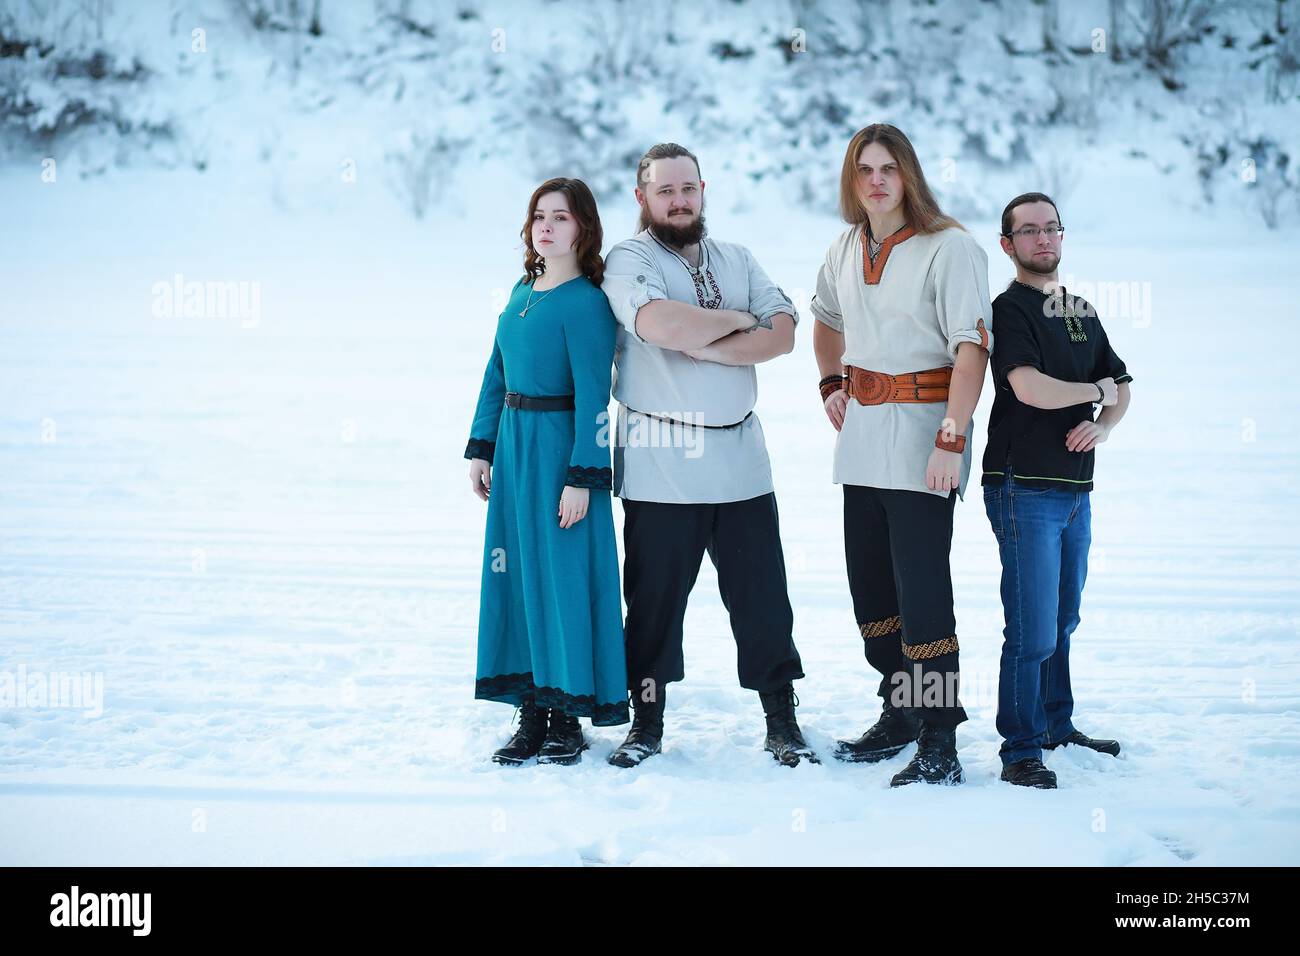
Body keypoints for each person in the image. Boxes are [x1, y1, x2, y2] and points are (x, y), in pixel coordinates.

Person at [599, 142, 816, 768]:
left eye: (687, 188)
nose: (678, 200)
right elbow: (662, 326)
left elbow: (783, 336)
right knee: (654, 606)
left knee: (763, 599)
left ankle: (782, 720)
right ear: (642, 198)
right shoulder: (628, 259)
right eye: (664, 190)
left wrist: (712, 340)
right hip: (661, 458)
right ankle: (646, 723)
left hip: (741, 455)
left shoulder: (737, 257)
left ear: (703, 190)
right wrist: (738, 324)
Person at [811, 124, 991, 787]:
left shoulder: (951, 248)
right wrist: (831, 382)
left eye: (888, 168)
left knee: (924, 600)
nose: (877, 180)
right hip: (861, 438)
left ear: (909, 174)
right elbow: (826, 320)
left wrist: (952, 436)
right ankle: (902, 711)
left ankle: (940, 740)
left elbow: (971, 348)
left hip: (926, 437)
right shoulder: (844, 245)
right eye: (864, 169)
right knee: (873, 598)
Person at [464, 177, 628, 766]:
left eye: (561, 217)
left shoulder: (586, 302)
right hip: (514, 449)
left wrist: (584, 478)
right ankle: (530, 709)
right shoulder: (521, 289)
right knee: (518, 575)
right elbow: (495, 371)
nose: (548, 227)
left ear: (583, 227)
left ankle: (565, 717)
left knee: (559, 577)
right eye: (539, 217)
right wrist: (482, 445)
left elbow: (595, 399)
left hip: (561, 450)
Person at [982, 192, 1133, 789]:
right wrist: (1092, 388)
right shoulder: (1009, 309)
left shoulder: (1080, 309)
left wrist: (1103, 421)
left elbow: (1121, 387)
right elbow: (1028, 388)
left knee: (1064, 617)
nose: (1044, 239)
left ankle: (1054, 723)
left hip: (1075, 490)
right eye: (1030, 231)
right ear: (1008, 244)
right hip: (1023, 488)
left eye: (1053, 229)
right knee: (1031, 626)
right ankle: (1020, 748)